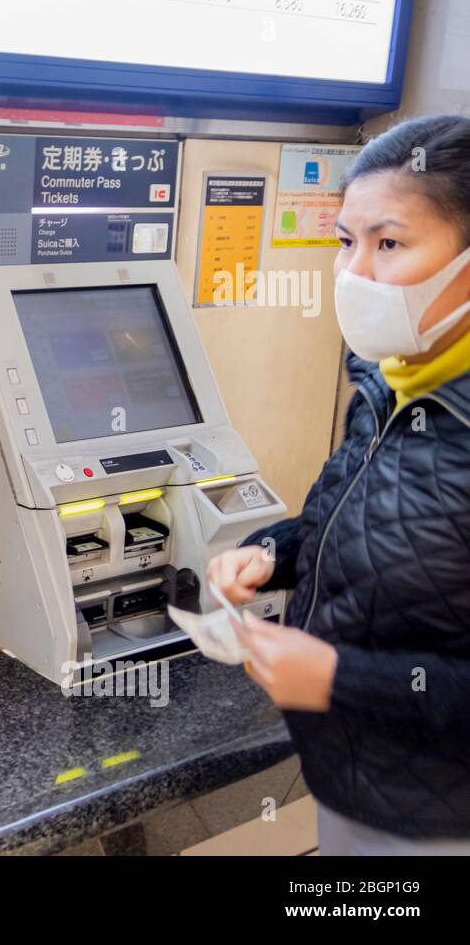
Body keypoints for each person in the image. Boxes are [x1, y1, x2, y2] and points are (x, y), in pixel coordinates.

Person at [209, 115, 470, 854]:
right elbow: (368, 515)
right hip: (358, 784)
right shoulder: (393, 380)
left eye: (388, 244)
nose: (356, 274)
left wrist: (337, 678)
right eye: (345, 243)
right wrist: (270, 551)